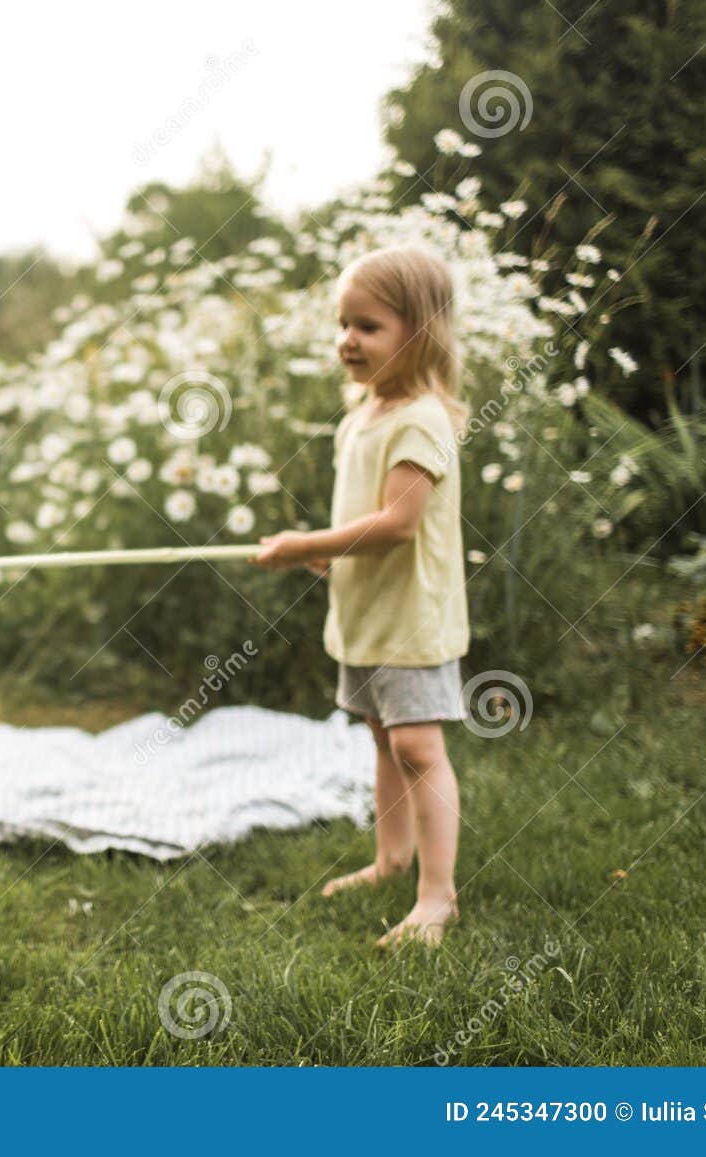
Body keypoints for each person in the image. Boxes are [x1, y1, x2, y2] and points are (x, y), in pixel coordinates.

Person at [254, 246, 469, 948]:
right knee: (382, 740)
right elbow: (366, 520)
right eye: (343, 324)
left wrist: (303, 543)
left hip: (412, 618)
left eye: (368, 325)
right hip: (368, 614)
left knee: (416, 745)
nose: (348, 339)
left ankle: (437, 896)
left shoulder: (420, 420)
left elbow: (399, 523)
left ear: (420, 333)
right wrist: (323, 558)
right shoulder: (362, 417)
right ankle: (391, 859)